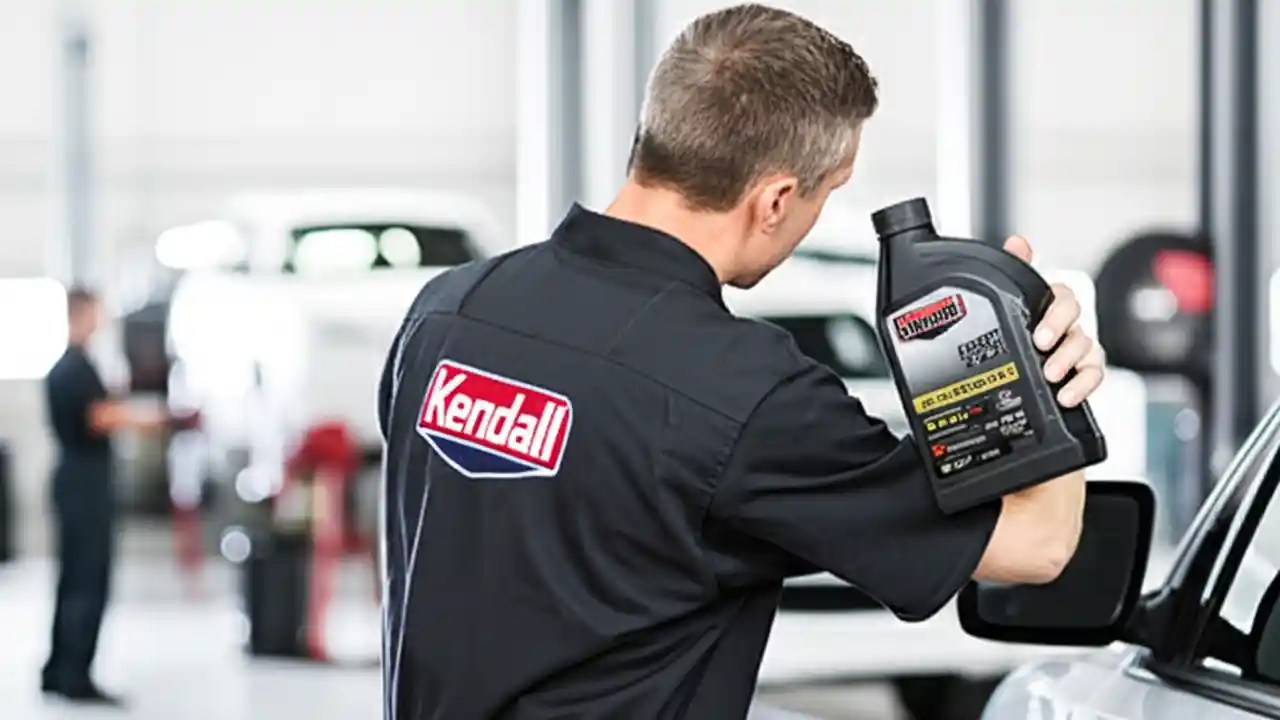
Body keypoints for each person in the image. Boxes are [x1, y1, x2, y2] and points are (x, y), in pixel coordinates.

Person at [377, 5, 1105, 719]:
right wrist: (1042, 362)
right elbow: (1036, 547)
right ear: (776, 199)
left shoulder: (446, 313)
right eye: (829, 191)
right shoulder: (745, 394)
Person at [41, 287, 172, 704]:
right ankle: (75, 674)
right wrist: (148, 418)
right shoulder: (74, 368)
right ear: (81, 314)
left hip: (76, 479)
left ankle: (59, 668)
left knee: (72, 577)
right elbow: (98, 417)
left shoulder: (71, 367)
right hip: (84, 483)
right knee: (87, 578)